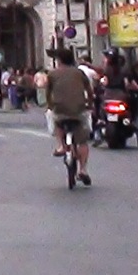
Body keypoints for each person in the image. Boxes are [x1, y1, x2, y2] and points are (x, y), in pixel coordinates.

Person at [46, 48, 94, 186]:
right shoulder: (79, 73)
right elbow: (89, 90)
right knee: (83, 141)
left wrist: (50, 105)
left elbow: (48, 93)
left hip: (60, 109)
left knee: (53, 117)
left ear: (59, 60)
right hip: (79, 109)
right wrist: (90, 104)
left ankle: (61, 145)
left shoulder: (52, 74)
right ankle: (83, 169)